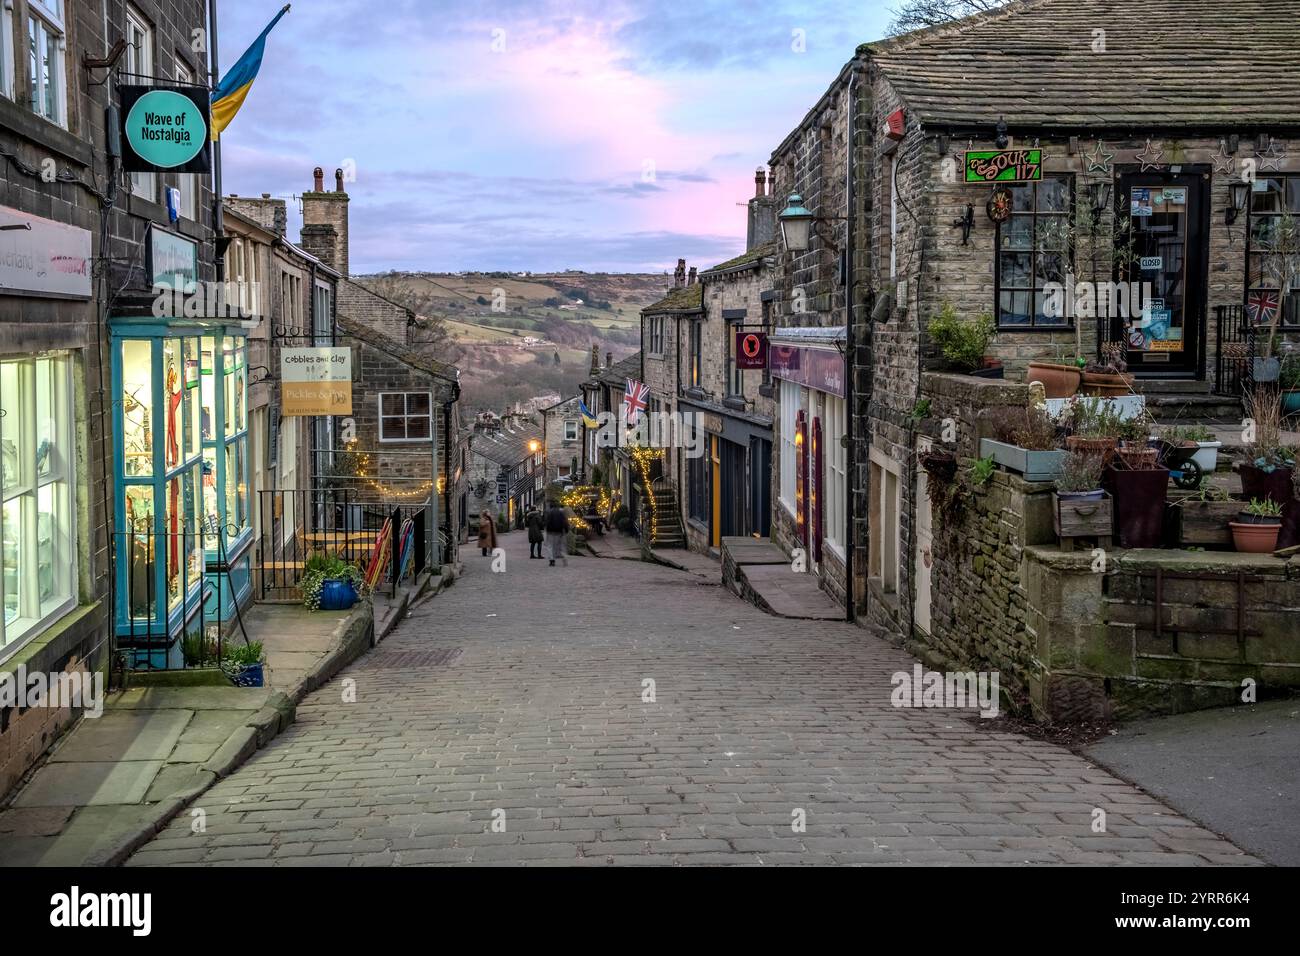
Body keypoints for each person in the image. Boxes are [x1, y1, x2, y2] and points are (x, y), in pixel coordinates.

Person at [544, 499, 569, 567]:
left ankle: (552, 560)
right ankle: (564, 558)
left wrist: (546, 530)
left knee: (550, 546)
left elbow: (547, 522)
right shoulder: (561, 512)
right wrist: (566, 530)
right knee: (560, 546)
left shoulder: (549, 512)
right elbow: (565, 522)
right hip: (559, 531)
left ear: (550, 506)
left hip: (551, 532)